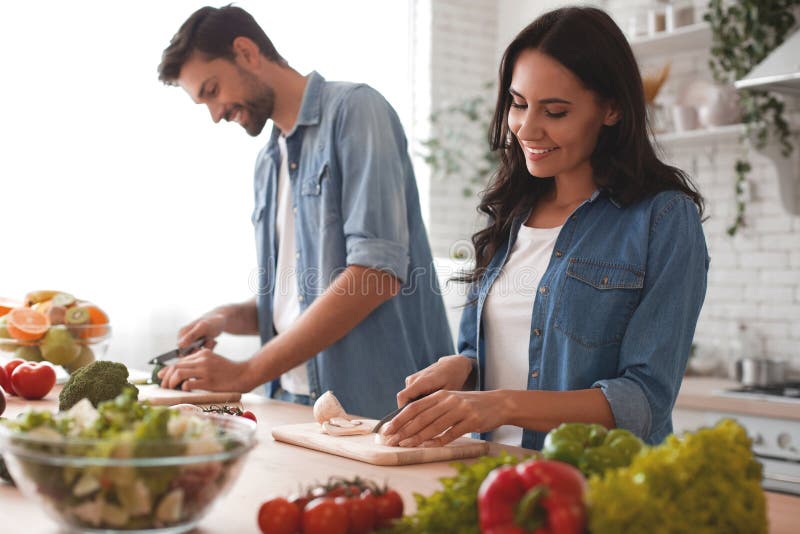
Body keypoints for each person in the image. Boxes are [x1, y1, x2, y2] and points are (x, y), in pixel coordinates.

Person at [380, 6, 709, 450]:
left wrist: (504, 404)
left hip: (597, 491)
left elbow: (643, 400)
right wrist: (466, 367)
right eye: (517, 104)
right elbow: (507, 350)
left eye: (555, 112)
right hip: (493, 476)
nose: (527, 128)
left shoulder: (663, 219)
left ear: (611, 108)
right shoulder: (511, 213)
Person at [154, 5, 453, 419]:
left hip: (381, 413)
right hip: (292, 404)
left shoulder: (356, 111)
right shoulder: (267, 163)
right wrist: (225, 317)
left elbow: (374, 276)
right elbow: (296, 298)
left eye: (212, 90)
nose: (216, 113)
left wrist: (246, 373)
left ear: (246, 52)